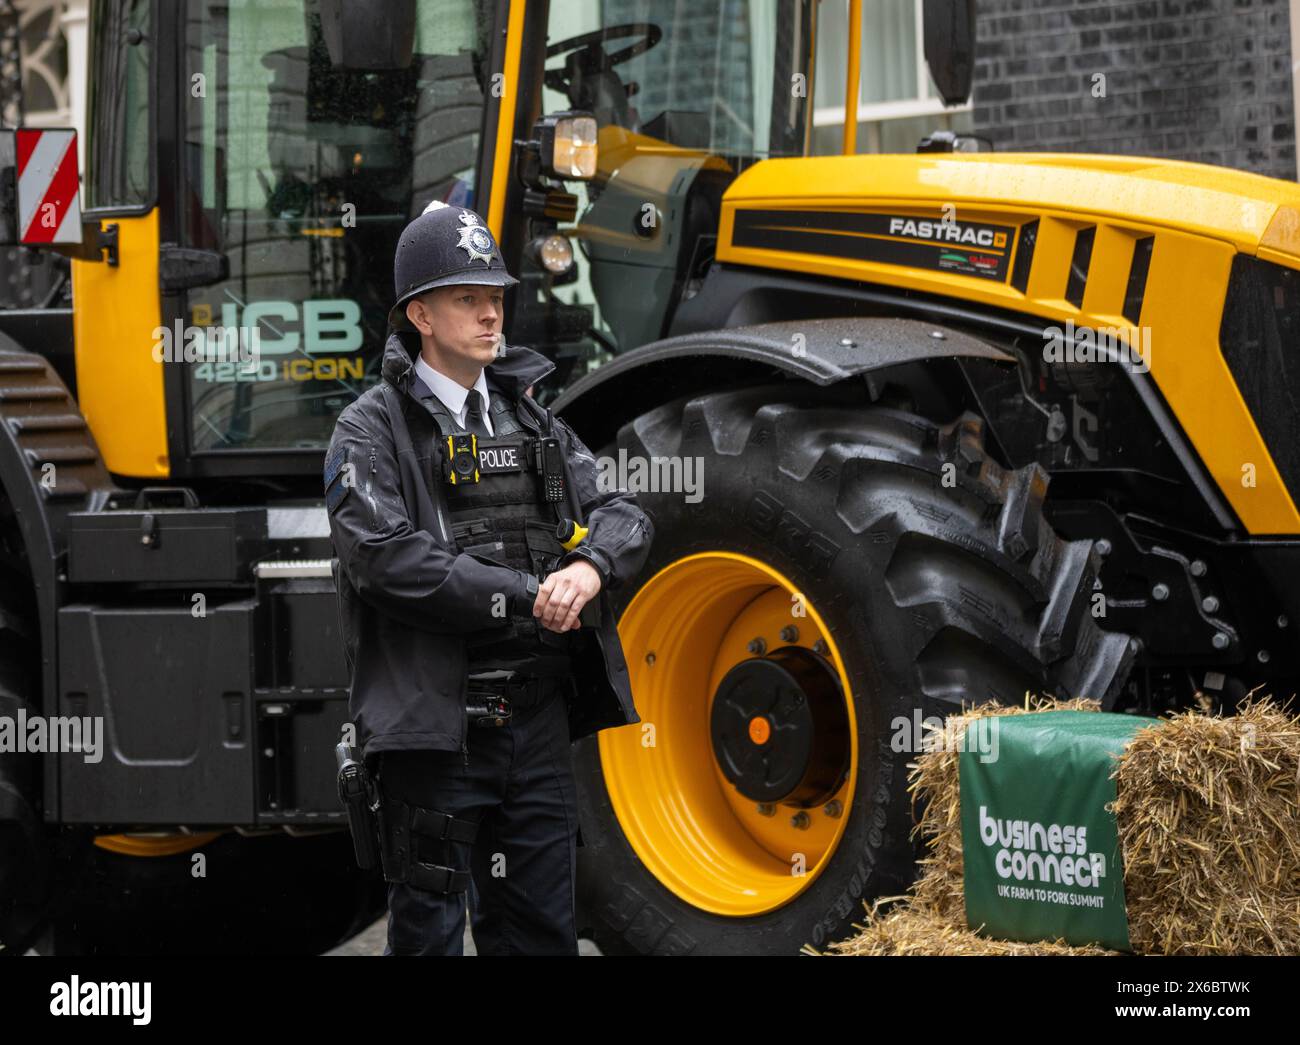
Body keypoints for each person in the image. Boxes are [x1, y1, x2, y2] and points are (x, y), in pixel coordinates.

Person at [325, 201, 653, 955]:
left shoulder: (531, 421)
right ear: (421, 315)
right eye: (468, 298)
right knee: (430, 937)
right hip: (436, 732)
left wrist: (588, 566)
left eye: (497, 297)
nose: (490, 314)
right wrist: (518, 592)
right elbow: (382, 555)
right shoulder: (368, 430)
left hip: (534, 729)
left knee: (542, 935)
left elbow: (624, 511)